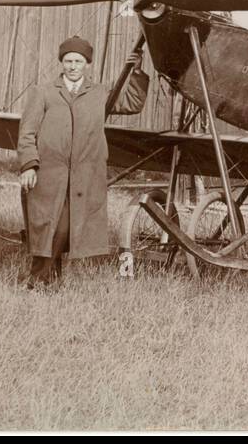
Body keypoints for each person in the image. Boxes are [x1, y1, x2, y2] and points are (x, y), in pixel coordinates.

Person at [17, 36, 149, 288]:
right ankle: (41, 281)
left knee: (64, 227)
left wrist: (137, 71)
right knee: (48, 226)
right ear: (61, 62)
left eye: (78, 61)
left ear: (87, 64)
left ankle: (43, 281)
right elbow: (27, 133)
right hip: (49, 174)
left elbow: (132, 102)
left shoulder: (100, 93)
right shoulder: (43, 92)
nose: (73, 66)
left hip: (84, 177)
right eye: (68, 61)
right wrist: (29, 165)